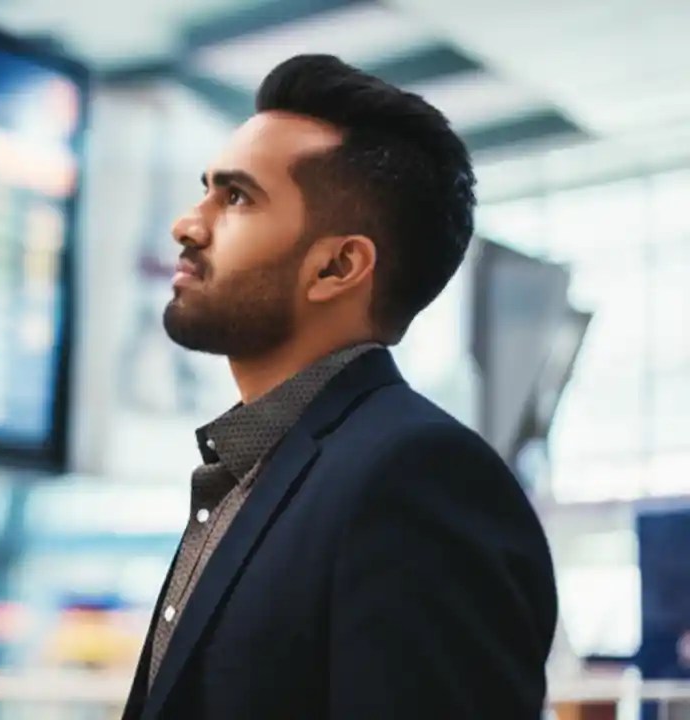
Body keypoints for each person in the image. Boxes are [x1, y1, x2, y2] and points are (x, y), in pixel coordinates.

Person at [122, 54, 557, 720]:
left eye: (236, 197)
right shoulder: (258, 472)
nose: (188, 223)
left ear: (337, 266)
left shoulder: (417, 478)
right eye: (206, 188)